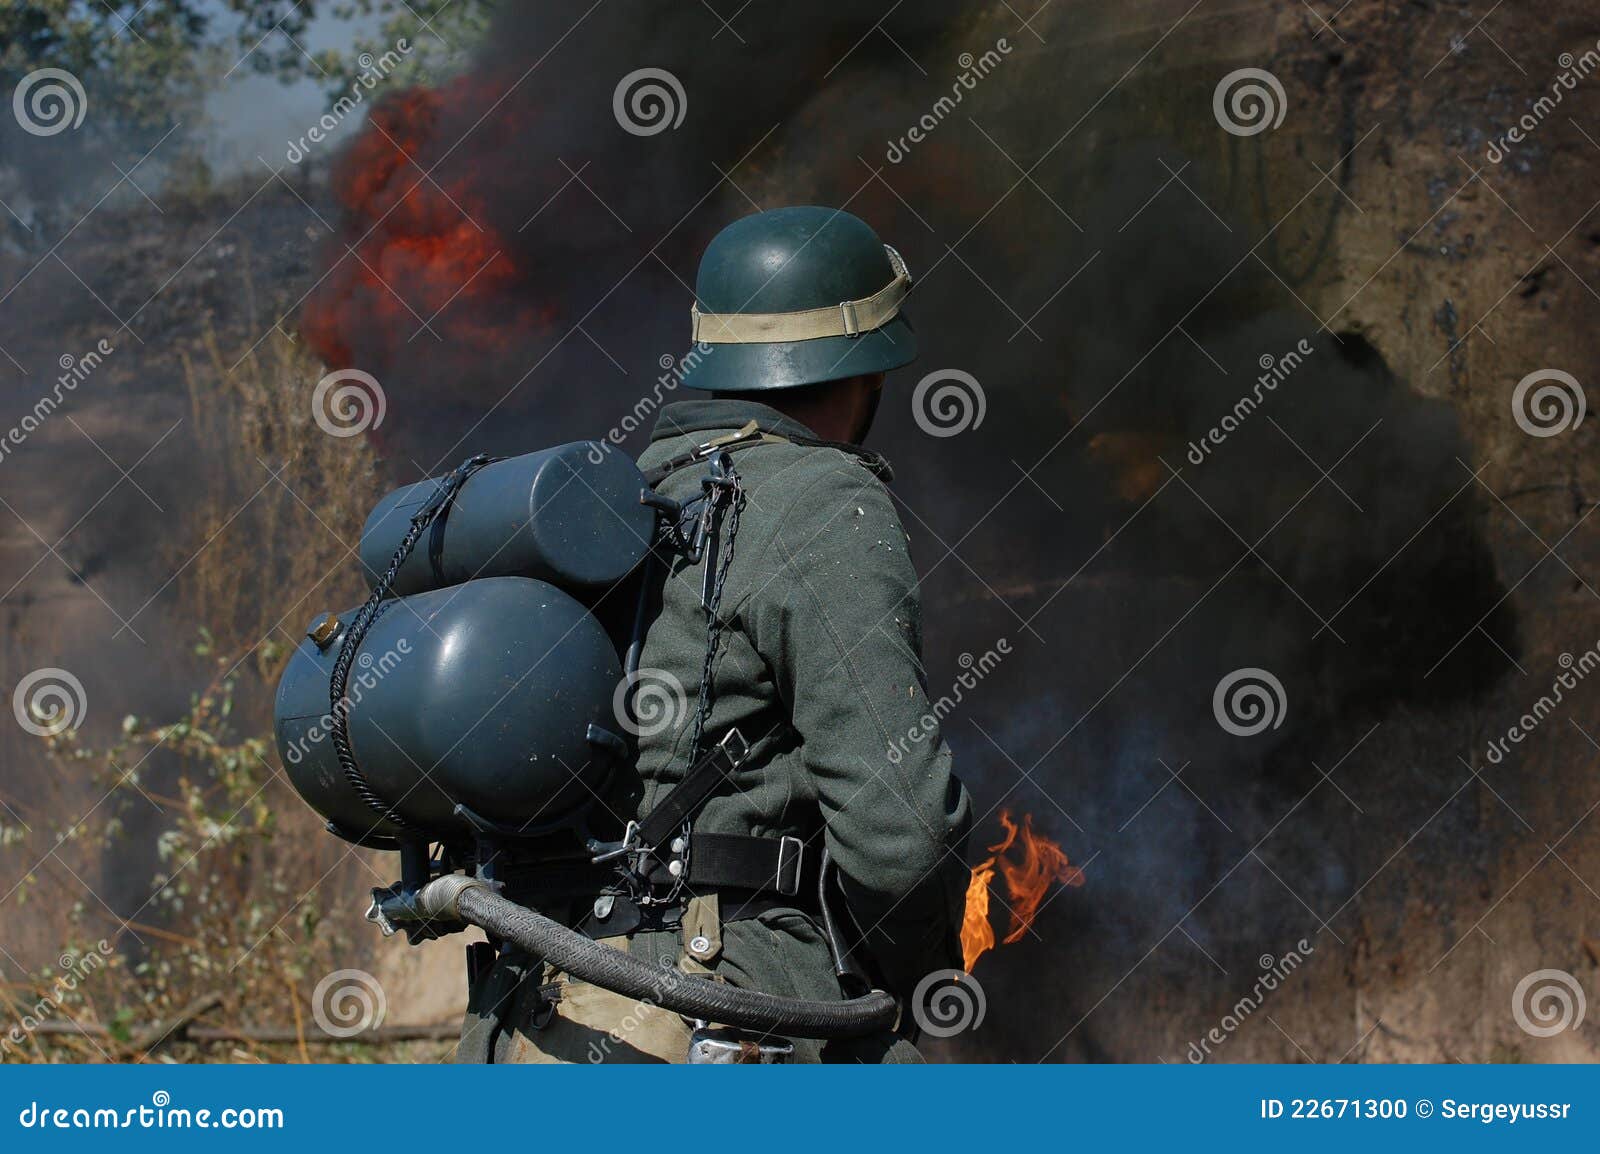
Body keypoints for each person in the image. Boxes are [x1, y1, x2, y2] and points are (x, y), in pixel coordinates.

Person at [468, 205, 972, 1063]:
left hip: (540, 1015)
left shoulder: (632, 501)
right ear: (870, 370)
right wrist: (916, 980)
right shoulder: (821, 500)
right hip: (722, 1013)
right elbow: (901, 838)